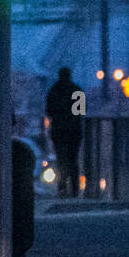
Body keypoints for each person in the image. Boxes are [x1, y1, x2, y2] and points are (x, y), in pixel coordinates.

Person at [45, 67, 84, 197]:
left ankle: (62, 186)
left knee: (61, 159)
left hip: (58, 130)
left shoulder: (54, 90)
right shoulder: (76, 90)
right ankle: (75, 189)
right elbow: (80, 112)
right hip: (74, 130)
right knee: (73, 159)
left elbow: (49, 111)